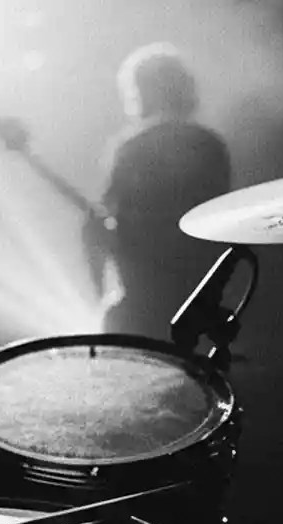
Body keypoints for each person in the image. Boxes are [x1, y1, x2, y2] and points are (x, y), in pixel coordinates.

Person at [89, 43, 232, 340]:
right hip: (198, 303)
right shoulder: (210, 145)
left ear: (139, 93)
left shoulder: (130, 148)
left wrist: (100, 291)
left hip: (140, 309)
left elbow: (97, 229)